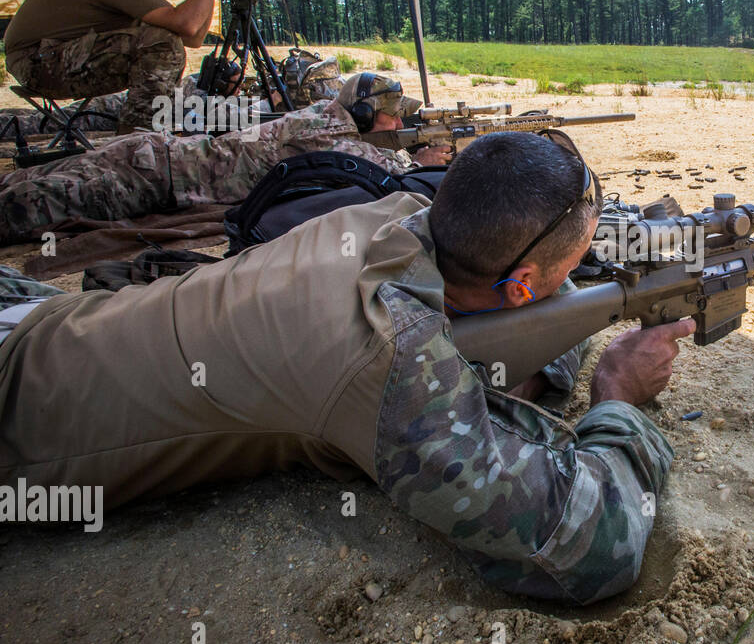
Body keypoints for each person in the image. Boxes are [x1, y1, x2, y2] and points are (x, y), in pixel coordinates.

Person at [0, 132, 694, 605]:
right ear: (518, 284)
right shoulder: (391, 361)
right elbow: (590, 545)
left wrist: (561, 322)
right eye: (570, 271)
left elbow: (492, 315)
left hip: (34, 320)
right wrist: (620, 396)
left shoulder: (393, 217)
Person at [0, 72, 450, 245]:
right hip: (150, 176)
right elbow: (390, 176)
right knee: (19, 210)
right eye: (391, 118)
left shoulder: (324, 116)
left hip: (151, 156)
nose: (395, 126)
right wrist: (425, 156)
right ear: (367, 113)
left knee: (25, 185)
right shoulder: (329, 135)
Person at [2, 0, 237, 135]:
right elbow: (185, 25)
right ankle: (139, 139)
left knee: (163, 37)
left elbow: (193, 37)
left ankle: (142, 135)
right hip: (37, 63)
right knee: (162, 42)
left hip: (48, 59)